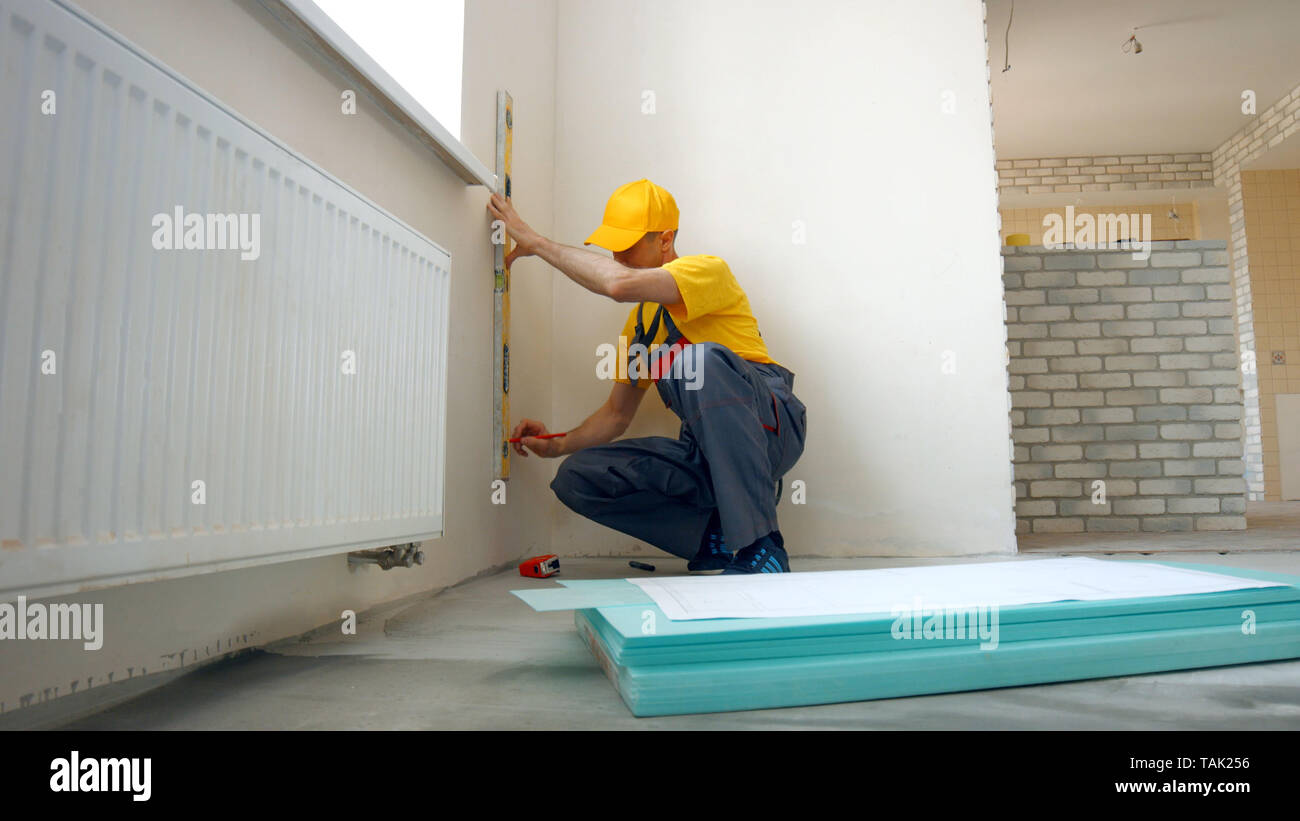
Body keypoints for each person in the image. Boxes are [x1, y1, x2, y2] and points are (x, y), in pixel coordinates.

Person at [486, 179, 806, 573]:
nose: (618, 256)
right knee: (577, 477)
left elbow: (618, 284)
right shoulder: (640, 327)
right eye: (614, 246)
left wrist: (536, 243)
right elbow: (616, 416)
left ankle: (761, 545)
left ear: (665, 240)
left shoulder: (707, 271)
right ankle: (713, 537)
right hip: (703, 449)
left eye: (629, 245)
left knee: (699, 360)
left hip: (770, 425)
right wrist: (557, 444)